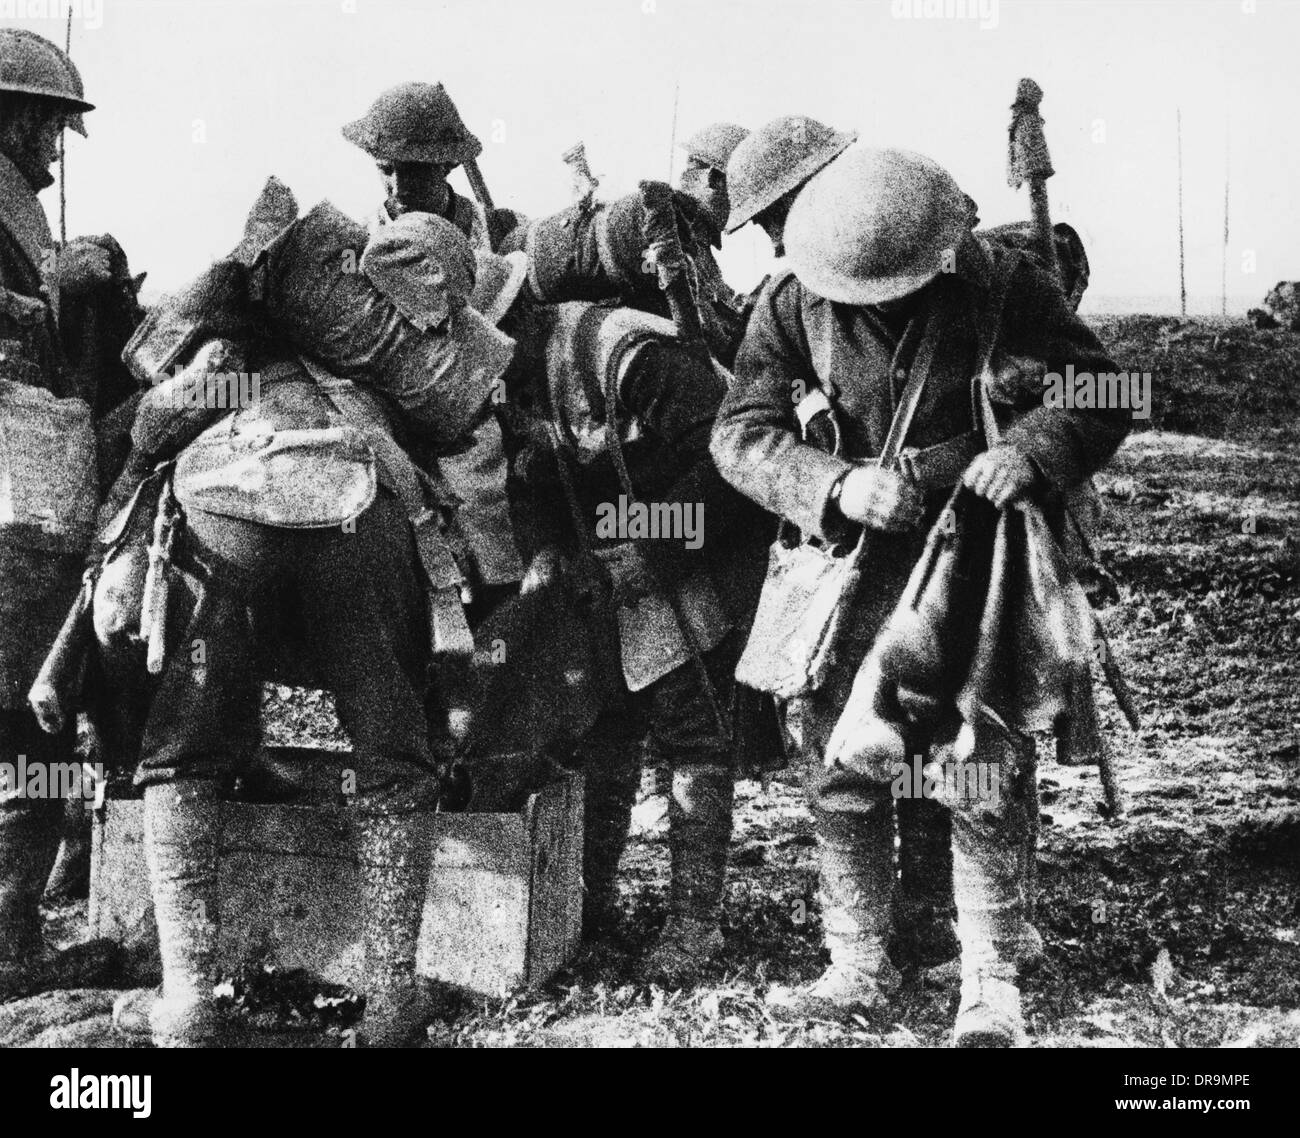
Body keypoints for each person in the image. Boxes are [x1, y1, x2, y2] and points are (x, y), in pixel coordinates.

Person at [710, 145, 1131, 1044]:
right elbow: (740, 435)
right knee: (844, 764)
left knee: (978, 769)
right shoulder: (790, 302)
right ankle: (855, 962)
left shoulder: (1002, 283)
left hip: (976, 568)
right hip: (854, 573)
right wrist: (832, 484)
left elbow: (1110, 388)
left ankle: (989, 978)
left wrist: (1032, 451)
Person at [469, 250, 769, 980]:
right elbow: (531, 478)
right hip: (606, 556)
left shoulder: (632, 356)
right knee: (603, 725)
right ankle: (588, 904)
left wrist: (654, 547)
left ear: (523, 322)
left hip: (700, 543)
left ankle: (696, 923)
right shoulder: (509, 381)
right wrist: (543, 555)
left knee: (691, 727)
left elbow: (734, 460)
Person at [0, 26, 122, 1000]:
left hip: (35, 487)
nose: (55, 143)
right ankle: (11, 945)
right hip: (21, 503)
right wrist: (67, 304)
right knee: (31, 730)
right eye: (46, 123)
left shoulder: (22, 216)